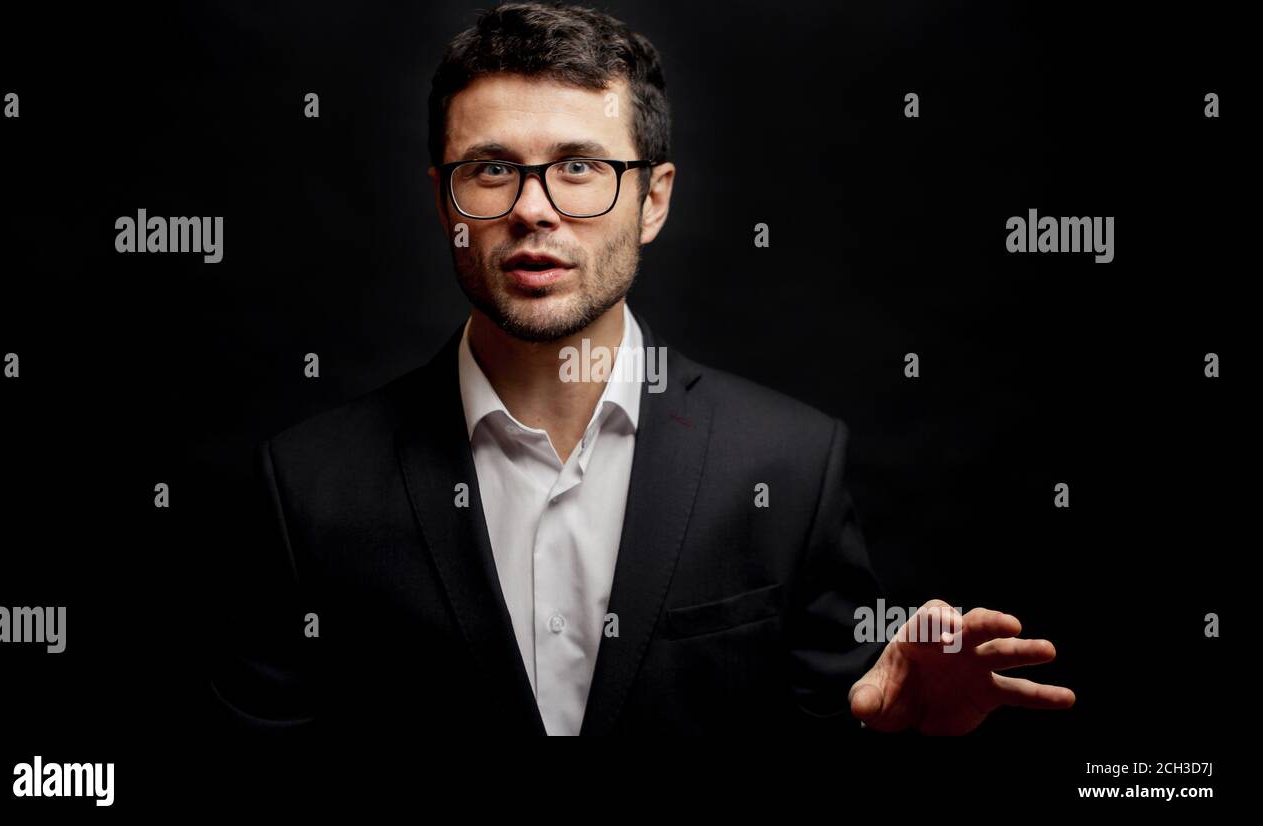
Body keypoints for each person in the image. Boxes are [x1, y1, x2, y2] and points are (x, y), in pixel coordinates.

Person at [211, 1, 1075, 736]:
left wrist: (890, 731)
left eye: (580, 167)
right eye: (491, 170)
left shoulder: (788, 467)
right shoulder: (310, 488)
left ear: (653, 198)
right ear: (447, 202)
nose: (533, 210)